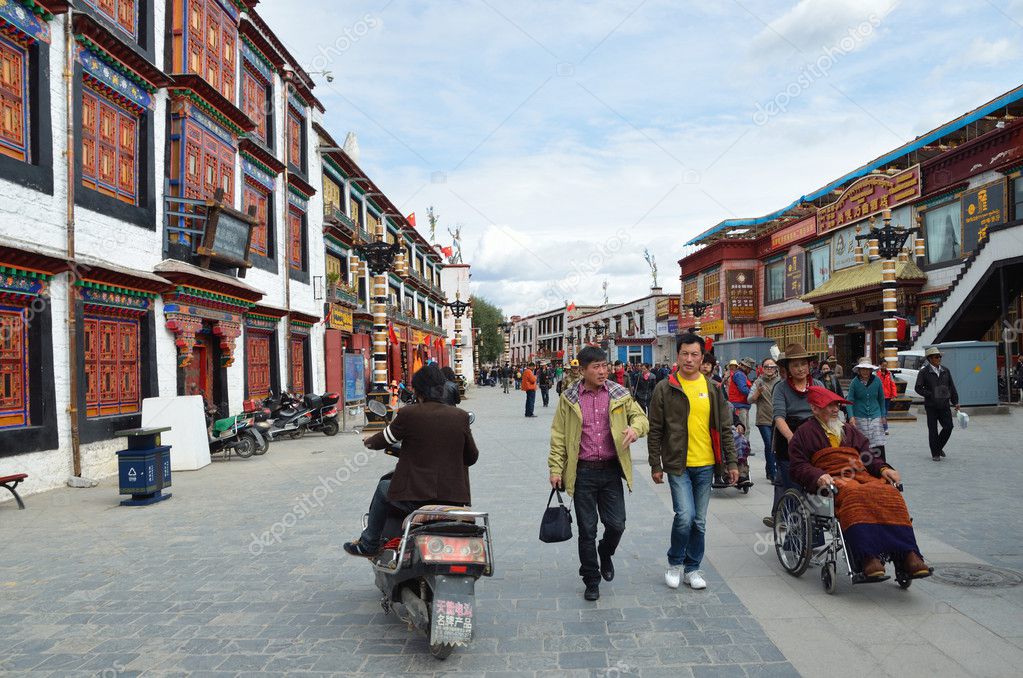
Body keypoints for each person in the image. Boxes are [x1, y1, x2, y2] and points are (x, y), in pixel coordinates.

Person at [789, 386, 932, 580]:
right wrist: (817, 475)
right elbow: (798, 466)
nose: (835, 410)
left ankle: (907, 554)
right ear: (815, 409)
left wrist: (884, 469)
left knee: (889, 492)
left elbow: (868, 456)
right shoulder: (804, 433)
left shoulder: (848, 430)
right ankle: (868, 557)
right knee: (854, 494)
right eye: (829, 406)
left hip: (860, 475)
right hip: (832, 479)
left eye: (837, 405)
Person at [344, 365, 479, 557]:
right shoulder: (460, 416)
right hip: (453, 499)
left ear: (418, 390)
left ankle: (369, 543)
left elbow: (384, 439)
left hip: (416, 499)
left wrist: (369, 442)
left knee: (384, 487)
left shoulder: (409, 414)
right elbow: (472, 457)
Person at [548, 346, 649, 601]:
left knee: (617, 525)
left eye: (605, 366)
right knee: (587, 529)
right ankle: (591, 579)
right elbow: (559, 436)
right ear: (583, 370)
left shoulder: (619, 393)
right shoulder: (569, 397)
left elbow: (641, 418)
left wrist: (635, 429)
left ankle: (605, 552)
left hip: (611, 470)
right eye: (596, 367)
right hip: (582, 473)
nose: (603, 371)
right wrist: (555, 469)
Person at [648, 333, 738, 591]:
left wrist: (731, 463)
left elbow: (725, 428)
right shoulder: (664, 388)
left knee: (699, 520)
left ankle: (693, 568)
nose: (689, 359)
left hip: (706, 463)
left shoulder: (712, 388)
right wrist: (655, 464)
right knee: (685, 516)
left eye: (694, 354)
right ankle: (675, 563)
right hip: (678, 464)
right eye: (685, 354)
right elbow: (655, 430)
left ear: (702, 358)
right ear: (677, 356)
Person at [763, 343, 823, 528]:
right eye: (795, 365)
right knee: (793, 488)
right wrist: (792, 439)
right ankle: (793, 535)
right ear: (787, 368)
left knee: (816, 487)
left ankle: (814, 534)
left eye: (803, 364)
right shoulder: (781, 388)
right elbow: (779, 417)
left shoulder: (818, 384)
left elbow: (826, 412)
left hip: (814, 437)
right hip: (789, 438)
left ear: (809, 365)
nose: (800, 369)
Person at [914, 346, 960, 461]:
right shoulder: (924, 372)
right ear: (930, 359)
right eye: (936, 356)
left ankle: (938, 447)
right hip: (931, 406)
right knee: (933, 430)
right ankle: (935, 454)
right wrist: (930, 394)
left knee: (949, 427)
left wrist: (956, 402)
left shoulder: (945, 370)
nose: (939, 358)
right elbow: (918, 388)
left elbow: (952, 387)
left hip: (944, 405)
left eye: (940, 356)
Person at [845, 357, 887, 461]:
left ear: (871, 370)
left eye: (867, 369)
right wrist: (851, 417)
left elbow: (881, 399)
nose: (865, 371)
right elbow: (849, 400)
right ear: (859, 370)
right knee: (862, 442)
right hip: (859, 416)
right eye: (862, 369)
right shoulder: (854, 382)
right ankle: (864, 465)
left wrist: (883, 415)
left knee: (877, 442)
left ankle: (881, 464)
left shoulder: (877, 381)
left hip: (875, 415)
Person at [747, 357, 780, 482]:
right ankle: (773, 474)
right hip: (763, 419)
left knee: (774, 446)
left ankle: (769, 469)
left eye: (772, 367)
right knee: (769, 444)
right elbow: (749, 400)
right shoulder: (758, 382)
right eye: (766, 367)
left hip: (778, 419)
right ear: (762, 369)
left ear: (775, 368)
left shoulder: (780, 381)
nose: (769, 369)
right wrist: (758, 393)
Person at [725, 359, 752, 432]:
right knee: (743, 430)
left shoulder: (740, 374)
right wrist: (753, 393)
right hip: (740, 406)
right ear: (746, 367)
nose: (750, 371)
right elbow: (743, 389)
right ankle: (743, 444)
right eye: (749, 369)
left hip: (741, 405)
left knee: (745, 430)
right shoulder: (740, 374)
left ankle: (744, 443)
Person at [877, 362, 898, 433]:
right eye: (883, 365)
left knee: (884, 412)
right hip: (878, 396)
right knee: (879, 412)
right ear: (880, 365)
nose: (884, 367)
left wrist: (894, 394)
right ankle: (881, 427)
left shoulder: (889, 374)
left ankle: (885, 428)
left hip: (887, 396)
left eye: (885, 366)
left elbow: (892, 384)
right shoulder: (876, 373)